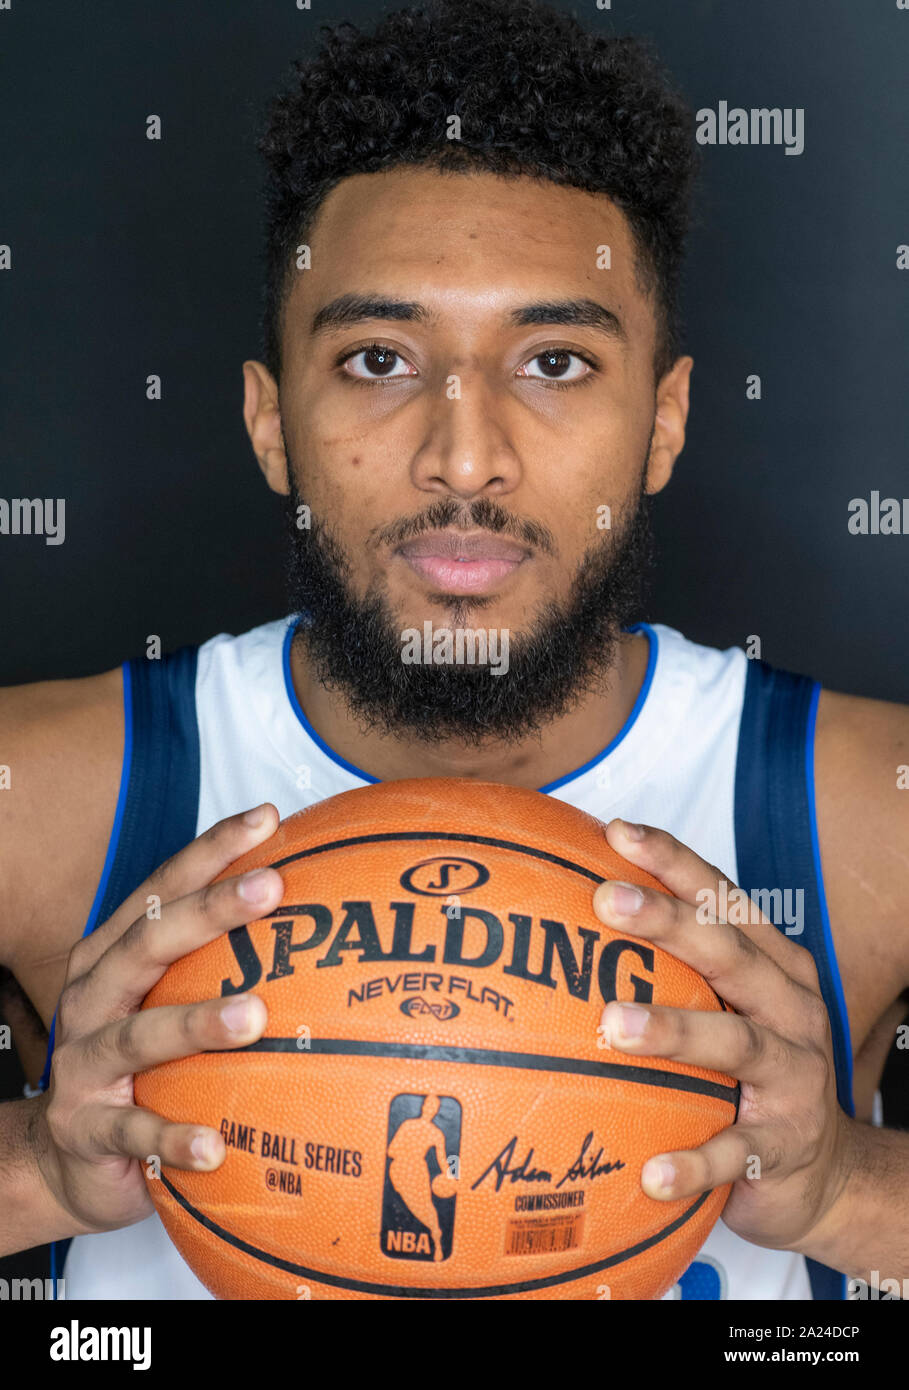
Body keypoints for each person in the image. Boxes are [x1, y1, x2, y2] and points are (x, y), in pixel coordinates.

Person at [1, 0, 907, 1302]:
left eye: (551, 360)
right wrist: (39, 1158)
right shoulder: (58, 793)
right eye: (377, 356)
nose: (464, 453)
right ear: (270, 424)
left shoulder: (850, 810)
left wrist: (837, 1187)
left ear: (663, 422)